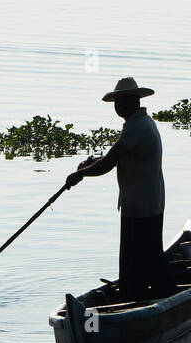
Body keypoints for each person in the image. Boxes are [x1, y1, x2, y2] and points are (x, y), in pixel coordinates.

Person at [66, 76, 175, 303]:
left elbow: (107, 164)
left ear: (135, 101)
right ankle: (141, 294)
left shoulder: (137, 127)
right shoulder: (140, 123)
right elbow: (115, 157)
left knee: (140, 257)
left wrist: (80, 174)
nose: (120, 106)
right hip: (142, 203)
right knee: (142, 256)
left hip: (142, 205)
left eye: (124, 101)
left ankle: (143, 299)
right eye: (117, 101)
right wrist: (91, 162)